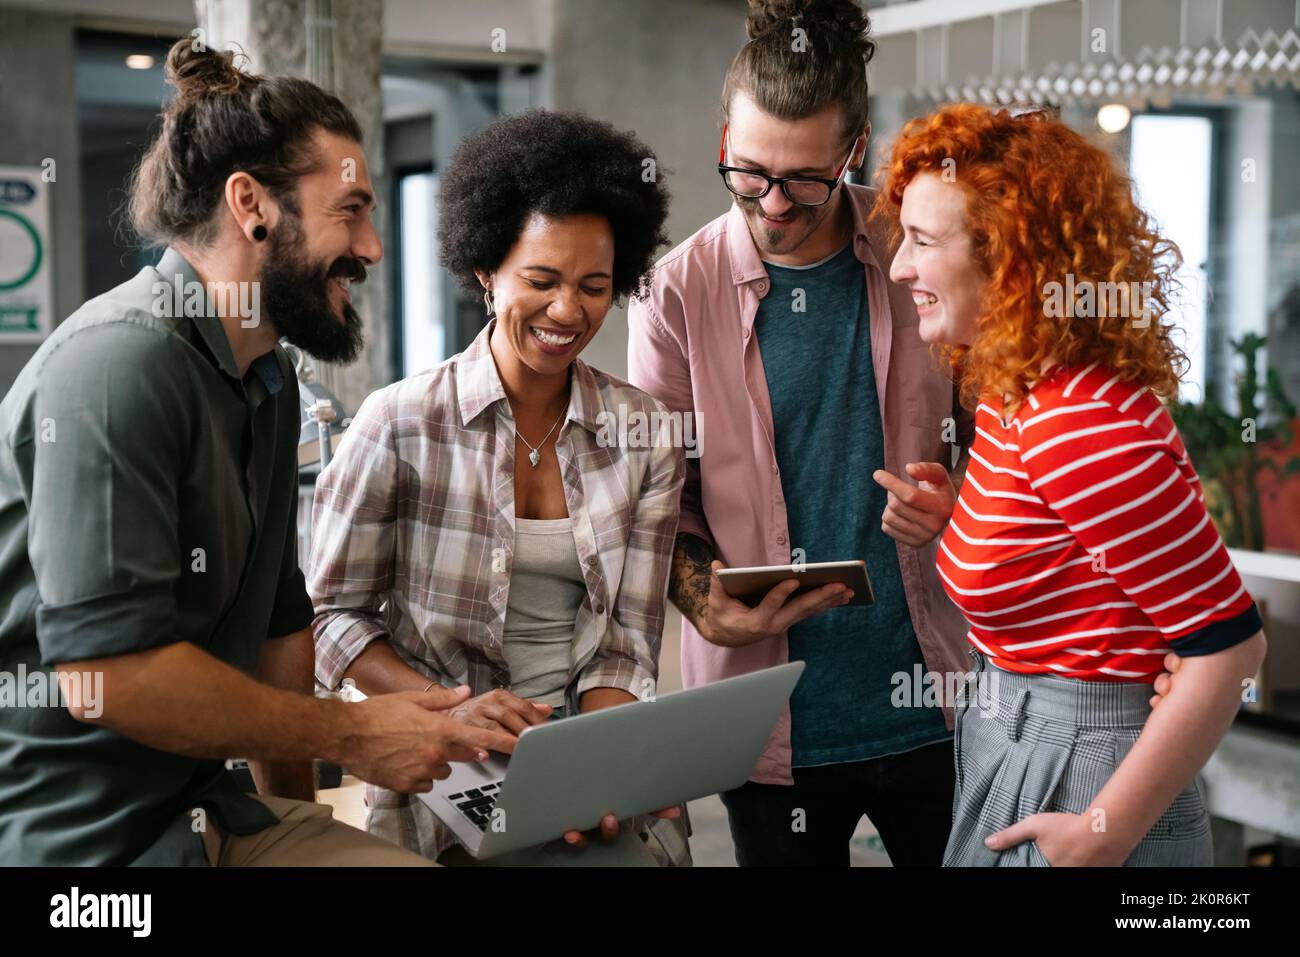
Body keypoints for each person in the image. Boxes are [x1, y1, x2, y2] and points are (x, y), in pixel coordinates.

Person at [0, 38, 515, 866]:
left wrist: (299, 824)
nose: (373, 248)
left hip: (213, 816)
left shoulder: (265, 379)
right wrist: (350, 732)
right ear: (252, 205)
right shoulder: (114, 368)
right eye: (351, 210)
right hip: (79, 851)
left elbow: (282, 633)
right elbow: (112, 677)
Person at [627, 0, 975, 867]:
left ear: (855, 150)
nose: (774, 205)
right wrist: (704, 600)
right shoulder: (674, 293)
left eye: (805, 180)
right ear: (723, 138)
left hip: (942, 701)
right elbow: (659, 497)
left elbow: (1001, 432)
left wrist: (961, 501)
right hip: (769, 723)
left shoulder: (916, 253)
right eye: (747, 173)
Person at [877, 103, 1268, 866]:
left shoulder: (1078, 418)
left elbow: (1228, 651)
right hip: (1015, 733)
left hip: (1084, 774)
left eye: (922, 242)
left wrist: (1106, 830)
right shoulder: (1012, 386)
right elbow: (1077, 561)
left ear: (1007, 257)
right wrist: (963, 518)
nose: (899, 267)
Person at [307, 109, 690, 865]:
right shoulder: (400, 423)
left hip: (584, 751)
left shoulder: (643, 432)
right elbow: (328, 617)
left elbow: (624, 648)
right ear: (486, 269)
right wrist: (451, 712)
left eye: (593, 286)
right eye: (541, 280)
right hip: (440, 765)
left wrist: (599, 764)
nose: (567, 310)